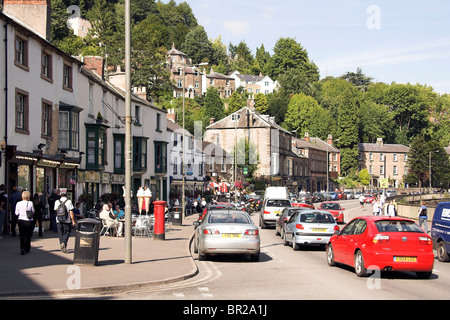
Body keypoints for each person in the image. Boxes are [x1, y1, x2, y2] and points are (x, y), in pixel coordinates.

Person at [15, 190, 34, 255]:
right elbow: (33, 211)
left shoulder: (18, 203)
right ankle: (27, 249)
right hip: (29, 220)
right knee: (28, 235)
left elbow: (16, 213)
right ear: (28, 197)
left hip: (21, 220)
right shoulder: (30, 203)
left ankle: (22, 249)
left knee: (22, 235)